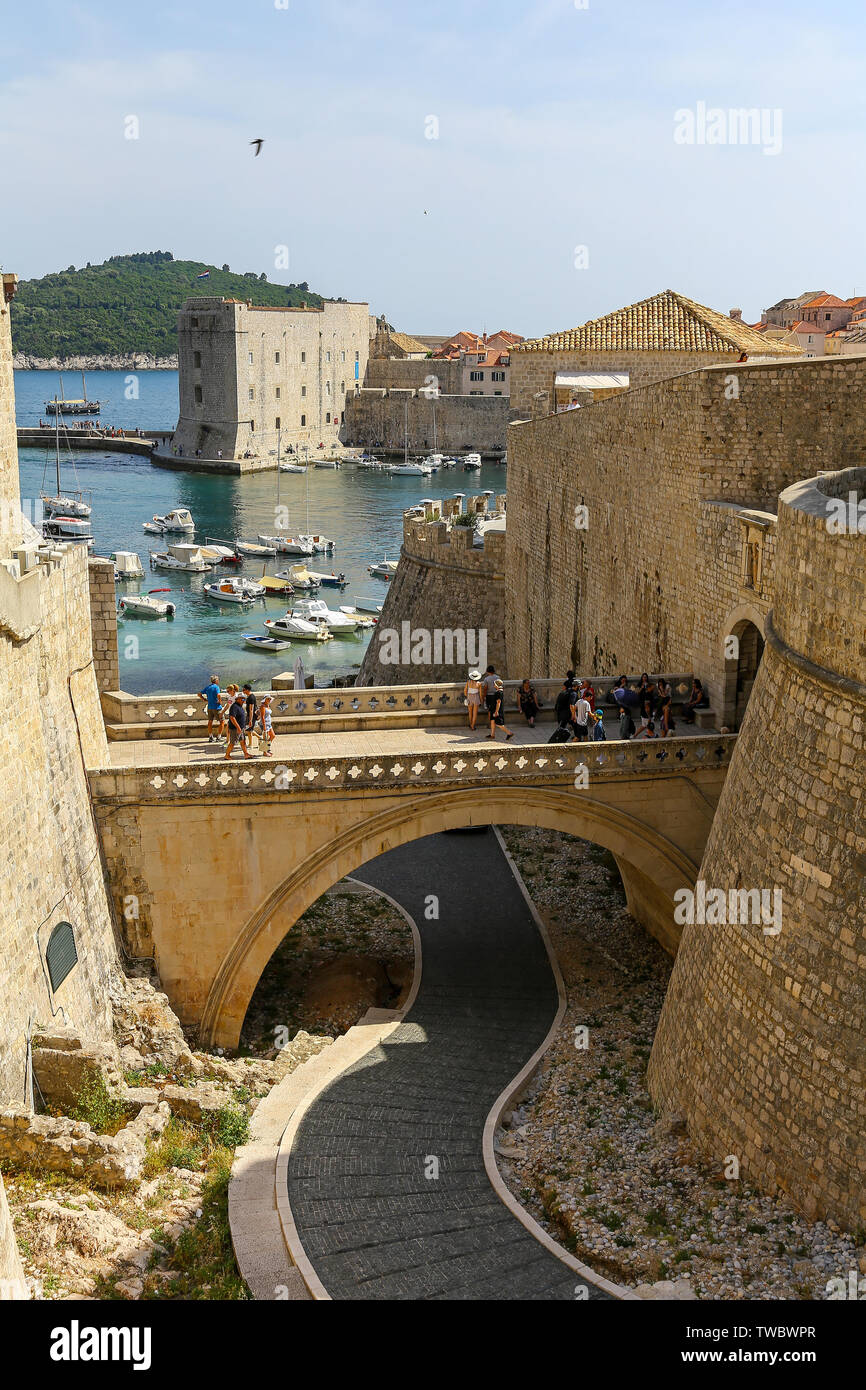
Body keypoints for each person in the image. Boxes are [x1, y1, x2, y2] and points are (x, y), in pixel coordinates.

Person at [224, 688, 251, 760]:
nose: (243, 700)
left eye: (244, 699)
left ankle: (246, 754)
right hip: (235, 728)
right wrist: (238, 728)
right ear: (237, 699)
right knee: (232, 742)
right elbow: (232, 718)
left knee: (242, 741)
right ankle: (227, 755)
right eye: (242, 699)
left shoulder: (240, 706)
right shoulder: (234, 706)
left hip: (240, 728)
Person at [199, 674, 224, 742]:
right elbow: (218, 694)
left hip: (209, 707)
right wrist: (220, 701)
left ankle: (210, 736)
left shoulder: (208, 687)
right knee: (222, 721)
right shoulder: (216, 687)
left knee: (210, 722)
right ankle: (219, 736)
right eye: (218, 680)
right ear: (216, 680)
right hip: (217, 707)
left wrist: (204, 699)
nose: (218, 681)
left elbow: (199, 694)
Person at [243, 684, 258, 748]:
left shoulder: (251, 697)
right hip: (250, 715)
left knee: (248, 730)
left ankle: (250, 744)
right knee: (249, 729)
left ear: (247, 690)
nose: (243, 691)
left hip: (251, 716)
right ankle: (258, 738)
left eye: (244, 689)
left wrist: (250, 720)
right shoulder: (249, 696)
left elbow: (251, 709)